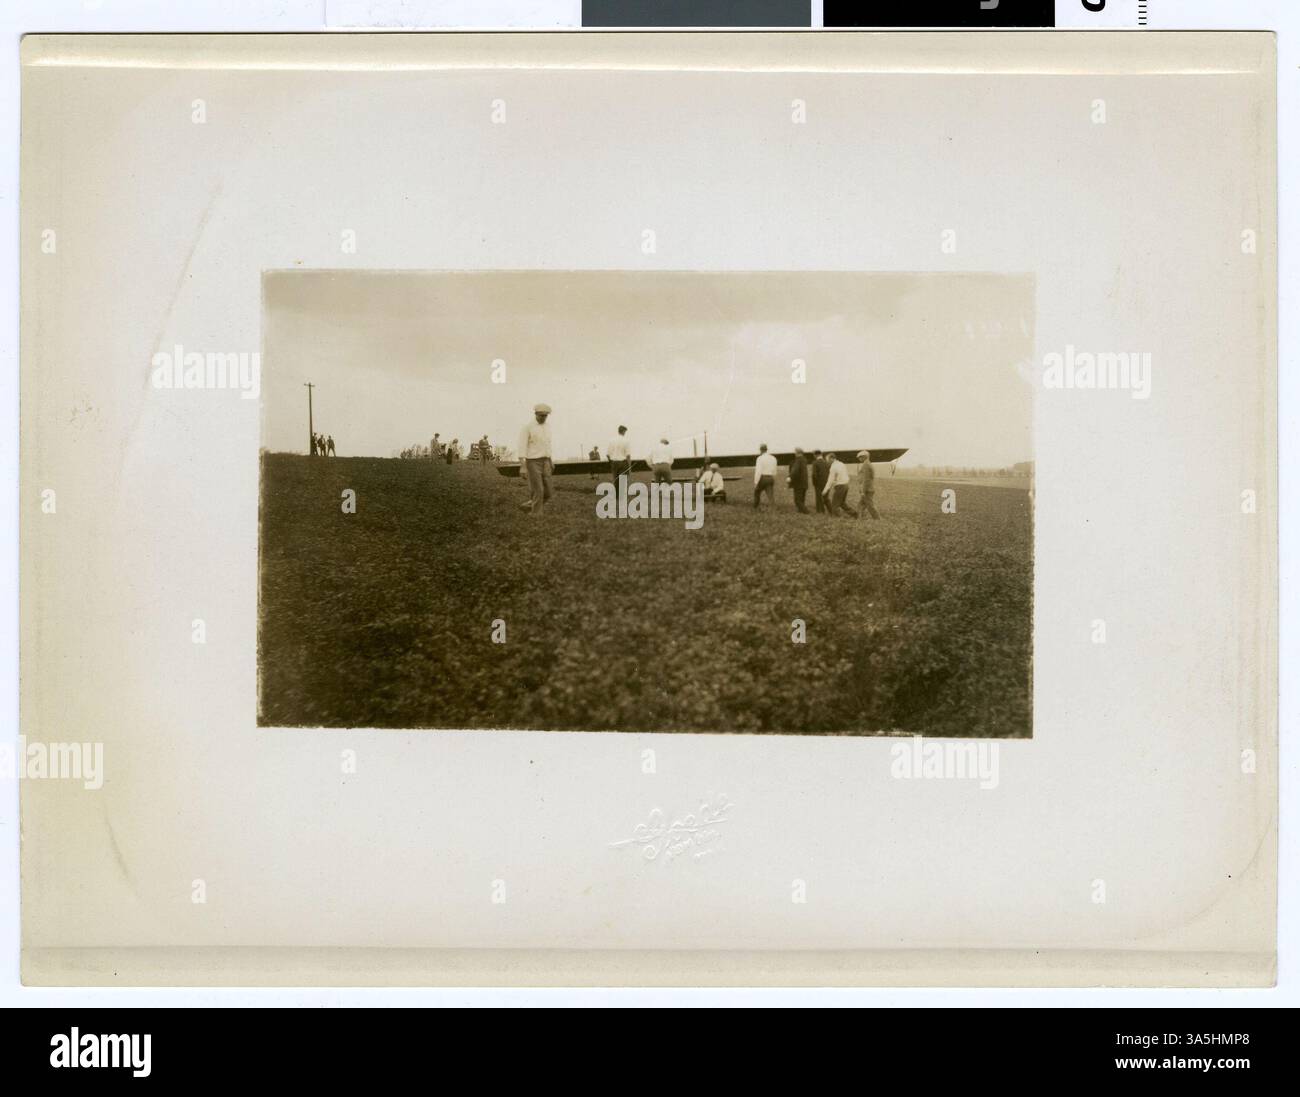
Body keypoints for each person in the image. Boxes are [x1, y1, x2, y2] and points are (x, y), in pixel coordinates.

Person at [517, 404, 554, 515]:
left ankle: (528, 506)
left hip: (546, 461)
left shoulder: (547, 427)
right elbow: (521, 447)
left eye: (545, 416)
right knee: (538, 490)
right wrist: (523, 467)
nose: (543, 418)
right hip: (533, 462)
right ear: (536, 414)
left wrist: (550, 461)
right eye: (541, 415)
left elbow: (547, 445)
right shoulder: (528, 427)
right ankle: (536, 516)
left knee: (548, 492)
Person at [857, 450, 880, 519]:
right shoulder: (868, 464)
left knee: (870, 505)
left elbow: (866, 479)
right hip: (869, 489)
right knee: (861, 505)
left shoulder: (866, 465)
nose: (859, 459)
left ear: (864, 457)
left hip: (867, 490)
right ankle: (860, 518)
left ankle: (878, 519)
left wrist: (863, 491)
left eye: (860, 457)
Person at [753, 443, 777, 509]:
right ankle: (773, 507)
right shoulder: (773, 458)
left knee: (757, 492)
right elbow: (774, 470)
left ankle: (755, 506)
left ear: (761, 450)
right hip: (770, 477)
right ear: (766, 449)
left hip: (762, 478)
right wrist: (773, 477)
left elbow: (758, 471)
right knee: (770, 495)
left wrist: (756, 482)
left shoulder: (759, 458)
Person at [787, 447, 809, 513]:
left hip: (798, 483)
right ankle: (801, 511)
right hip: (804, 483)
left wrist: (790, 477)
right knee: (802, 499)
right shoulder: (804, 460)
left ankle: (806, 512)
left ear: (797, 453)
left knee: (797, 500)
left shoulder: (798, 460)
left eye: (795, 452)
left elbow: (795, 470)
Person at [811, 449, 830, 513]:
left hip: (818, 483)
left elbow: (814, 474)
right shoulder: (826, 462)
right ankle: (831, 510)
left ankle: (820, 511)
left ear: (816, 455)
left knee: (819, 497)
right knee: (826, 497)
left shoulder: (815, 463)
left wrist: (814, 483)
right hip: (827, 482)